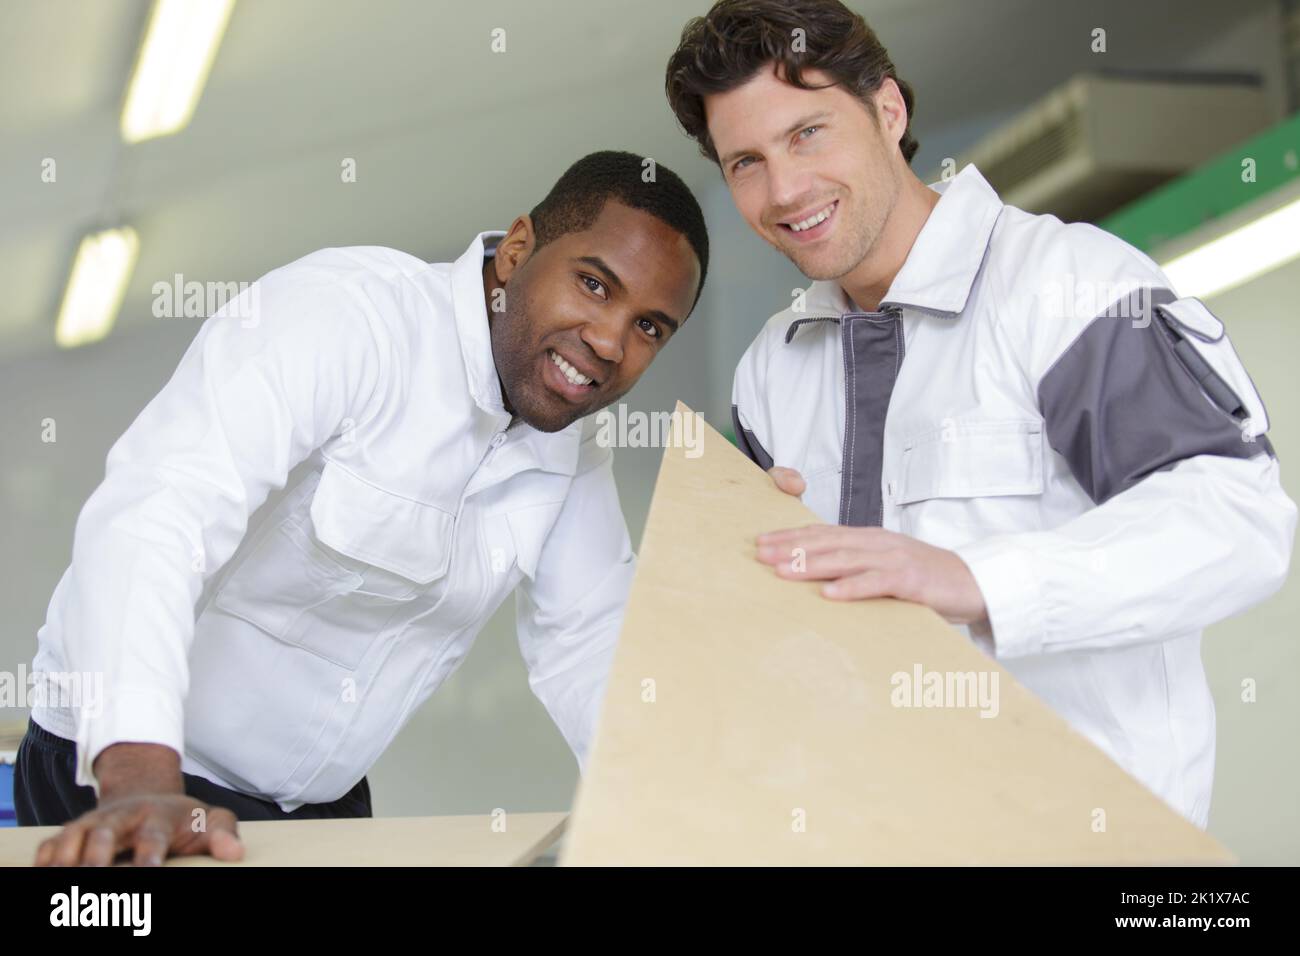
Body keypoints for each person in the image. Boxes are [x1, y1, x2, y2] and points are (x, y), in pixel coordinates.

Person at [665, 0, 1295, 826]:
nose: (784, 189)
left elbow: (1238, 520)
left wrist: (975, 581)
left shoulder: (1063, 286)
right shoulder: (771, 370)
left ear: (888, 111)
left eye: (807, 133)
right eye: (745, 162)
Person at [17, 150, 708, 864]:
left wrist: (677, 819)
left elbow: (588, 641)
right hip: (132, 776)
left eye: (650, 327)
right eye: (595, 285)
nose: (608, 342)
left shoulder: (573, 442)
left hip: (318, 809)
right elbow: (159, 512)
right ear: (520, 249)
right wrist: (138, 778)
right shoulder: (349, 319)